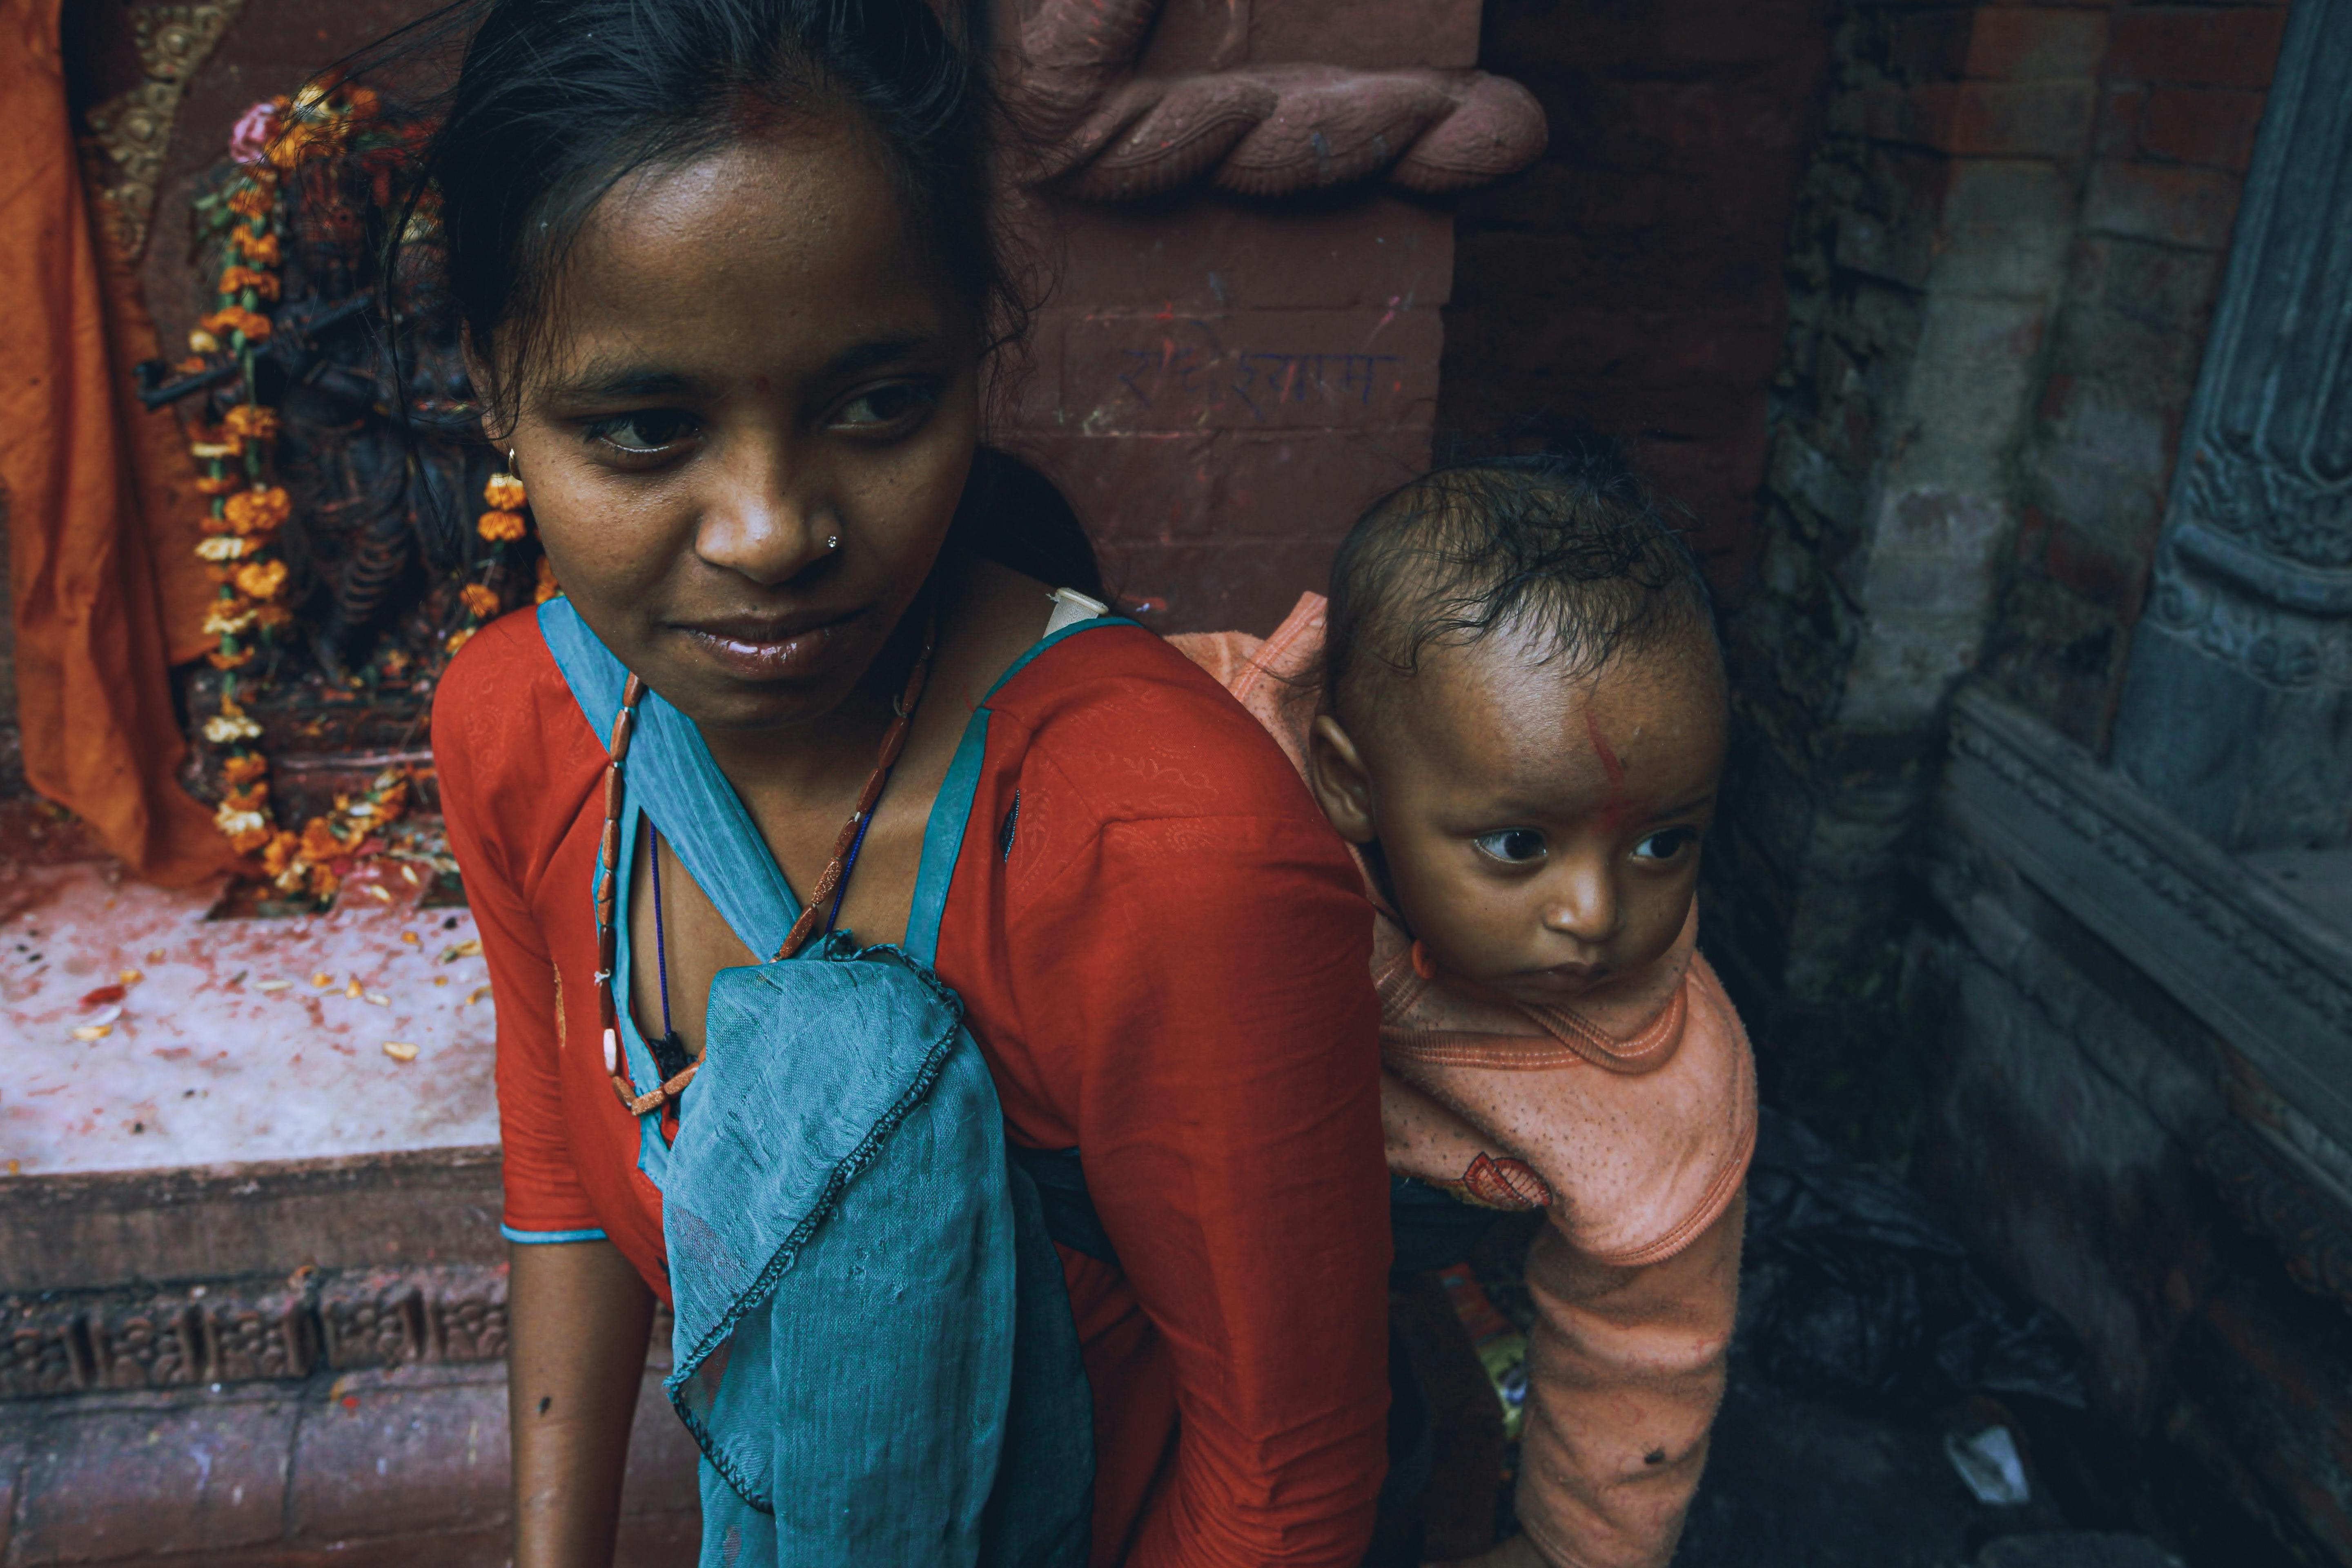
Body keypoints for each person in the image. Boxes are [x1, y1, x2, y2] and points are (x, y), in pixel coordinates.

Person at [414, 1, 1391, 1563]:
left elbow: (1286, 1484)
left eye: (877, 404)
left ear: (972, 348)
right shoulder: (517, 724)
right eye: (647, 430)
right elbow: (561, 1152)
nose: (771, 532)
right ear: (491, 386)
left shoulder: (1160, 853)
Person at [1173, 446, 1756, 1568]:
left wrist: (1568, 1551)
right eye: (1520, 844)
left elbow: (1644, 1352)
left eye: (1661, 841)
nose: (1592, 911)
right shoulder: (1206, 748)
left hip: (1390, 1260)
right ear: (1349, 783)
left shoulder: (1667, 1097)